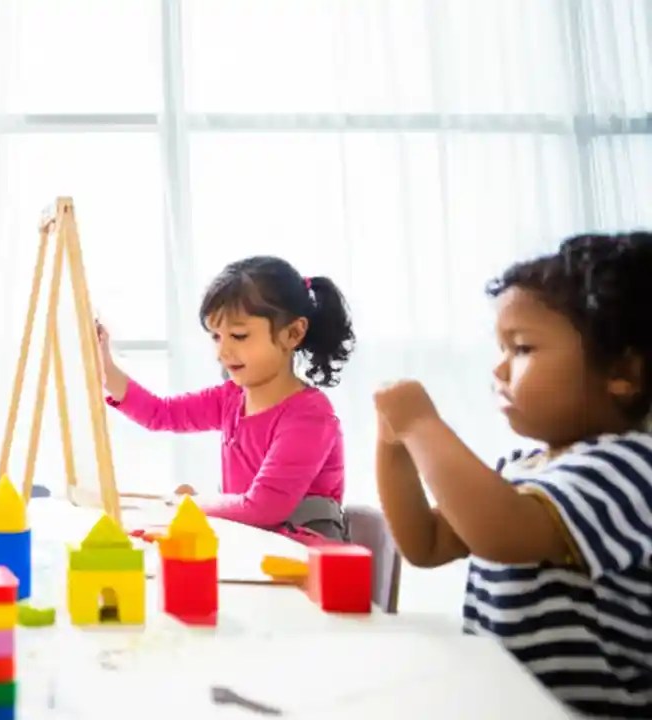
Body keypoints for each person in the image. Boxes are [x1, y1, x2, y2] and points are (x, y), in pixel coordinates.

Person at [376, 233, 652, 717]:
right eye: (501, 348)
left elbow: (500, 533)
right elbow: (425, 544)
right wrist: (394, 446)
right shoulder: (523, 469)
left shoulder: (628, 467)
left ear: (622, 372)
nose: (500, 369)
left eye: (522, 348)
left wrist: (421, 424)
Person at [99, 255, 355, 539]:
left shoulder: (310, 415)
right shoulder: (230, 399)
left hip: (308, 557)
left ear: (293, 333)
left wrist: (192, 505)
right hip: (256, 544)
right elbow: (160, 413)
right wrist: (106, 371)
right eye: (216, 337)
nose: (222, 352)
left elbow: (263, 508)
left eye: (239, 335)